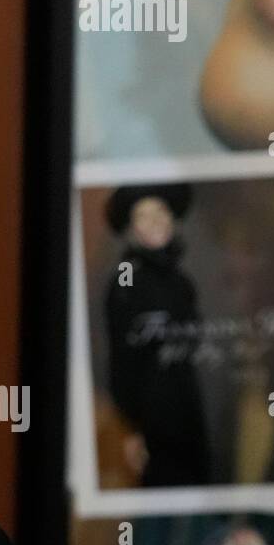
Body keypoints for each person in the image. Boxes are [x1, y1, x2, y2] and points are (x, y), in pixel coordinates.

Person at [103, 184, 211, 488]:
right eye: (143, 215)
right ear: (131, 227)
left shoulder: (181, 282)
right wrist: (131, 428)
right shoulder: (126, 280)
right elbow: (121, 359)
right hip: (152, 418)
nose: (154, 221)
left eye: (160, 210)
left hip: (189, 409)